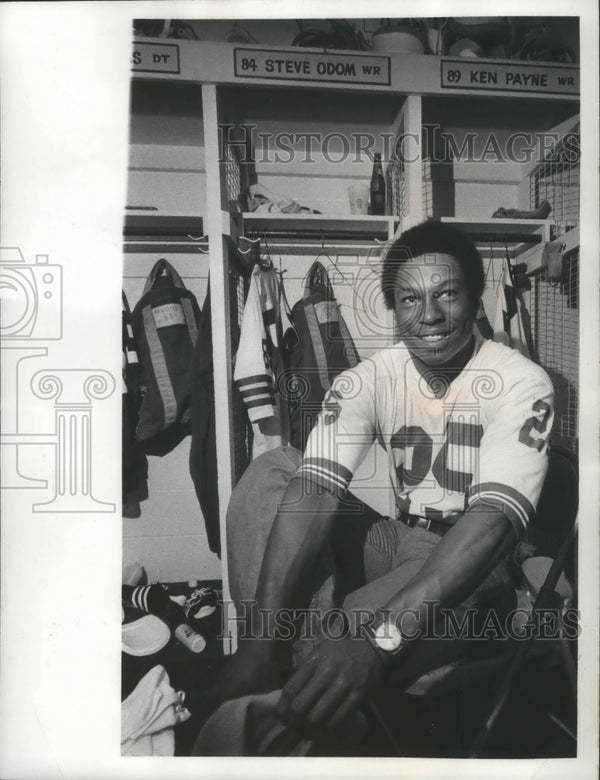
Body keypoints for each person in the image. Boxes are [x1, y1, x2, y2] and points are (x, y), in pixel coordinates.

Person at [196, 220, 554, 750]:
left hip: (474, 563)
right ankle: (273, 660)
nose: (428, 315)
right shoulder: (371, 375)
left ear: (476, 299)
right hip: (399, 540)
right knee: (274, 468)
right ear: (394, 309)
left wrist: (381, 641)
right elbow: (315, 491)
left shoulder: (521, 379)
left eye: (446, 294)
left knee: (343, 647)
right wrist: (256, 639)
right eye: (409, 299)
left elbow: (492, 525)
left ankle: (301, 694)